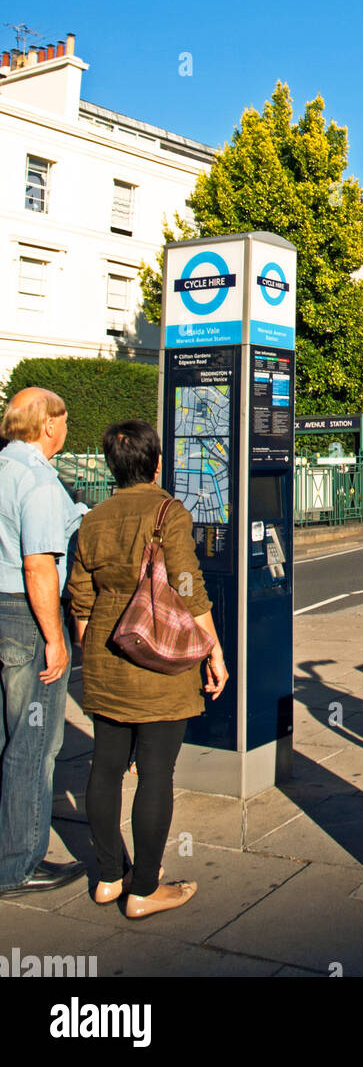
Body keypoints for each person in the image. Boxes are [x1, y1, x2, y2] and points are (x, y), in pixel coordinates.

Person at [69, 421, 228, 919]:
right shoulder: (168, 512)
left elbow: (80, 598)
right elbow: (185, 582)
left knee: (106, 767)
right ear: (157, 463)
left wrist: (93, 651)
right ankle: (144, 889)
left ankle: (108, 877)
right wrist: (212, 648)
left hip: (104, 650)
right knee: (156, 771)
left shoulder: (91, 519)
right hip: (158, 653)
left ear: (112, 467)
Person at [0, 388, 89, 898]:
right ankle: (19, 863)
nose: (66, 427)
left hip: (3, 606)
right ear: (48, 425)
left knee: (10, 736)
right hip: (28, 612)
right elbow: (38, 564)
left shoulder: (7, 468)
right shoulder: (34, 480)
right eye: (64, 419)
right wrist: (54, 640)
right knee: (34, 744)